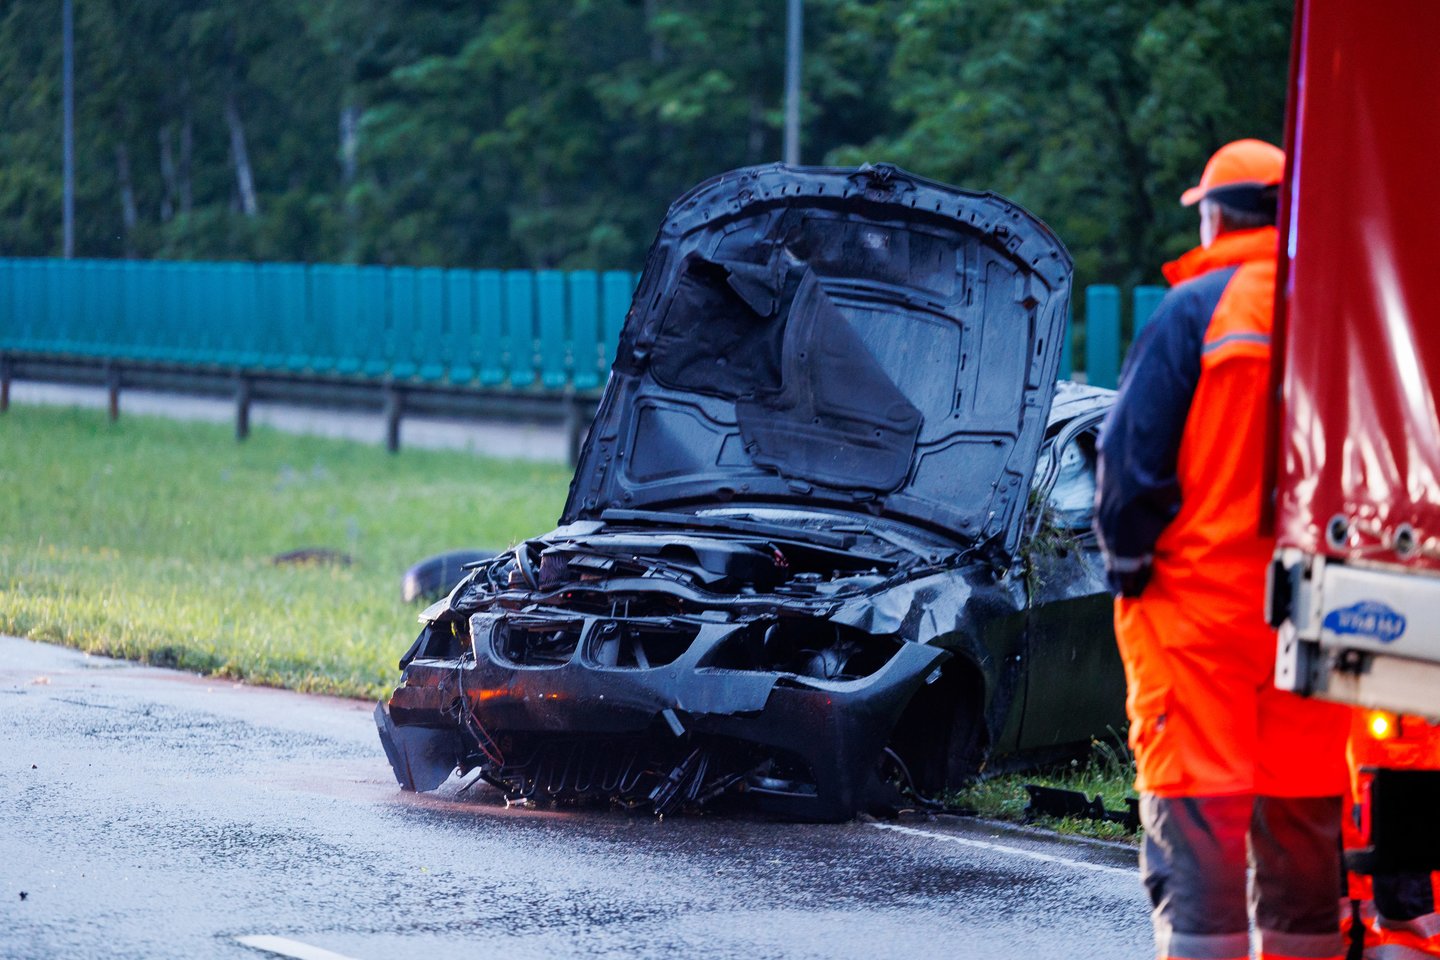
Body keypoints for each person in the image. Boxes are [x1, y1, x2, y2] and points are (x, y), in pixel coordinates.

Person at [1094, 138, 1352, 960]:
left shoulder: (1197, 308)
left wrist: (1129, 567)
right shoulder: (1338, 317)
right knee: (1304, 808)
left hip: (1199, 614)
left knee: (1199, 811)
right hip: (1315, 610)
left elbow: (1130, 467)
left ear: (1213, 214)